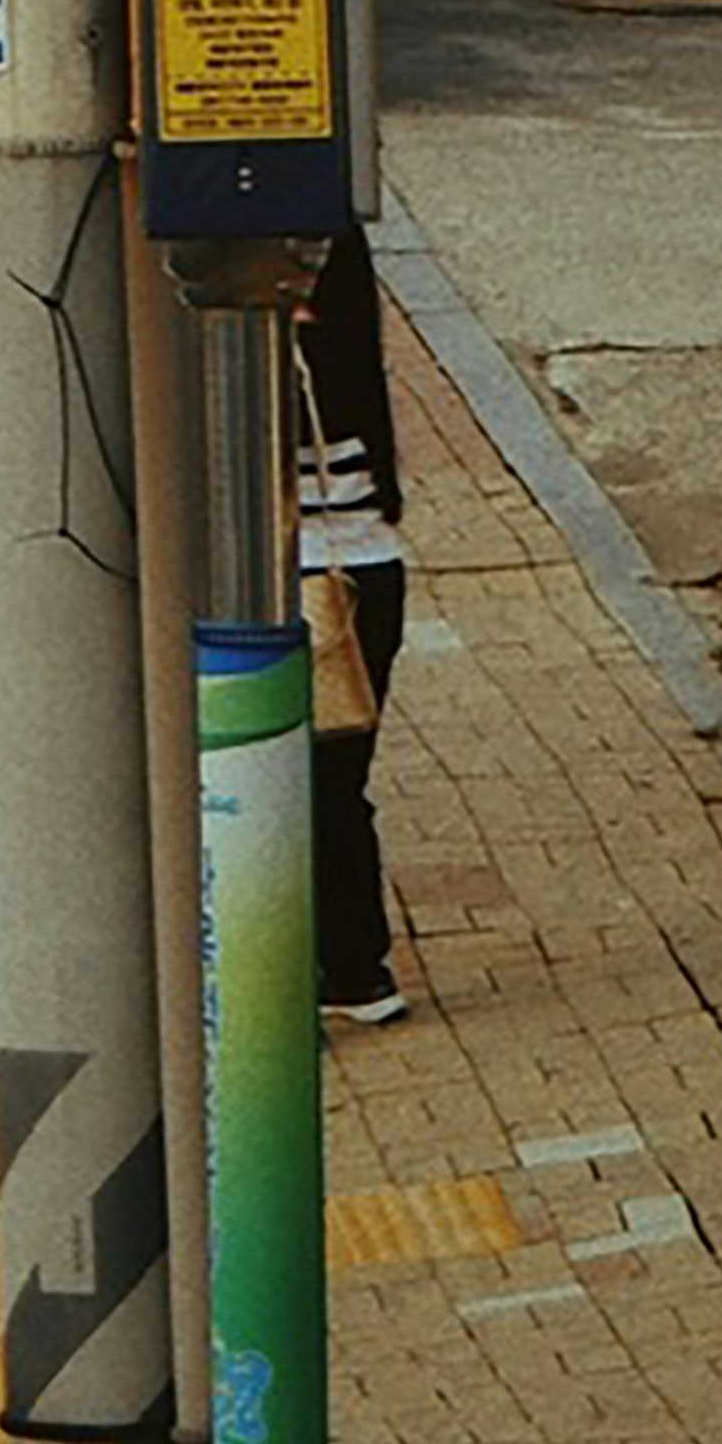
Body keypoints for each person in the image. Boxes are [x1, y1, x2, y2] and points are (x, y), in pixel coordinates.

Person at [294, 219, 414, 1021]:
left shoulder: (274, 372)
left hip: (314, 585)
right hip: (371, 569)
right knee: (338, 782)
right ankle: (353, 965)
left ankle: (336, 969)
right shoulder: (351, 377)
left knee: (307, 785)